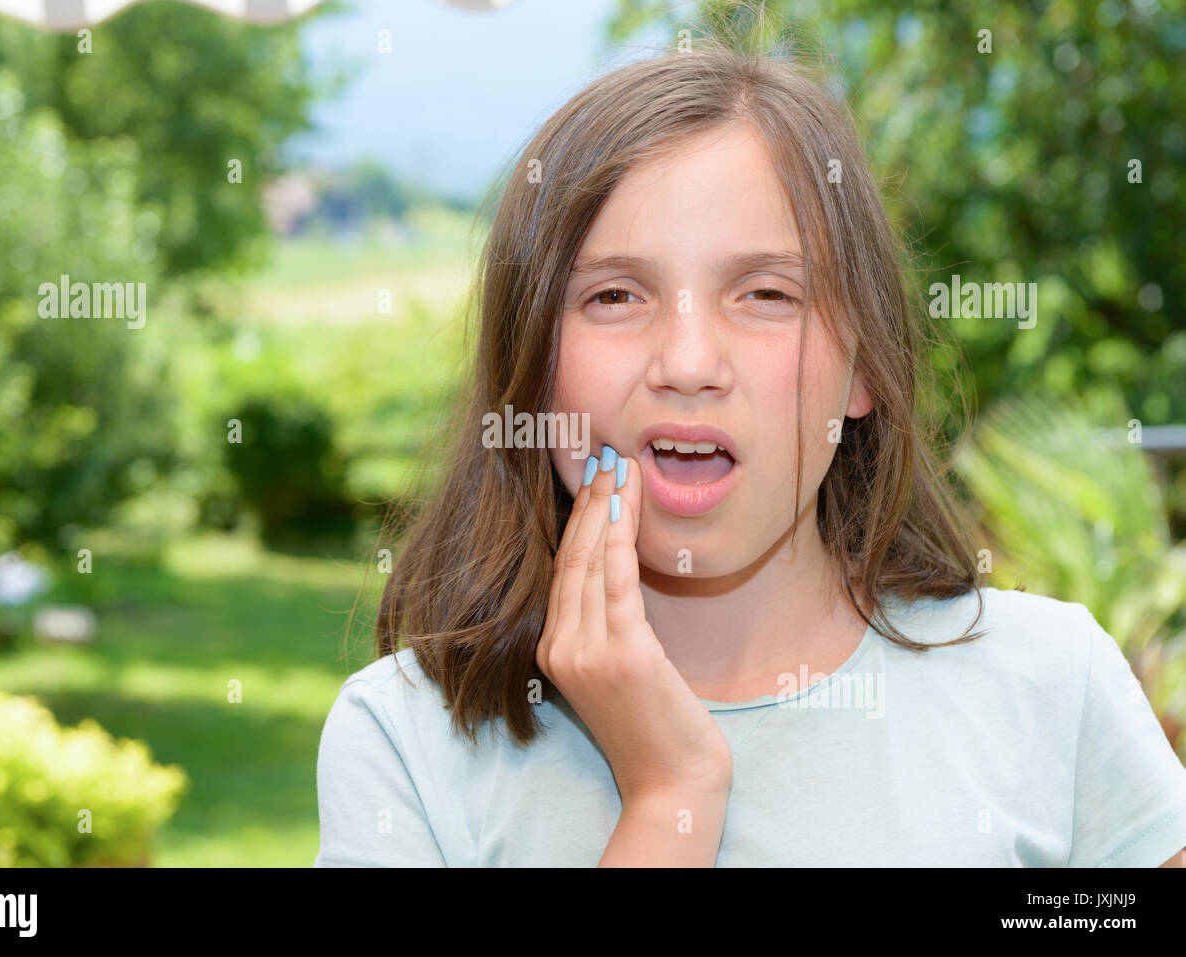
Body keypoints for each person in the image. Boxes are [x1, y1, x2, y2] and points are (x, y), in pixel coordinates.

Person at [313, 35, 1186, 867]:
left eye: (767, 293)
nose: (689, 364)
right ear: (533, 372)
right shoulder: (404, 742)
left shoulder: (1051, 685)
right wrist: (669, 794)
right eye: (615, 295)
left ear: (862, 370)